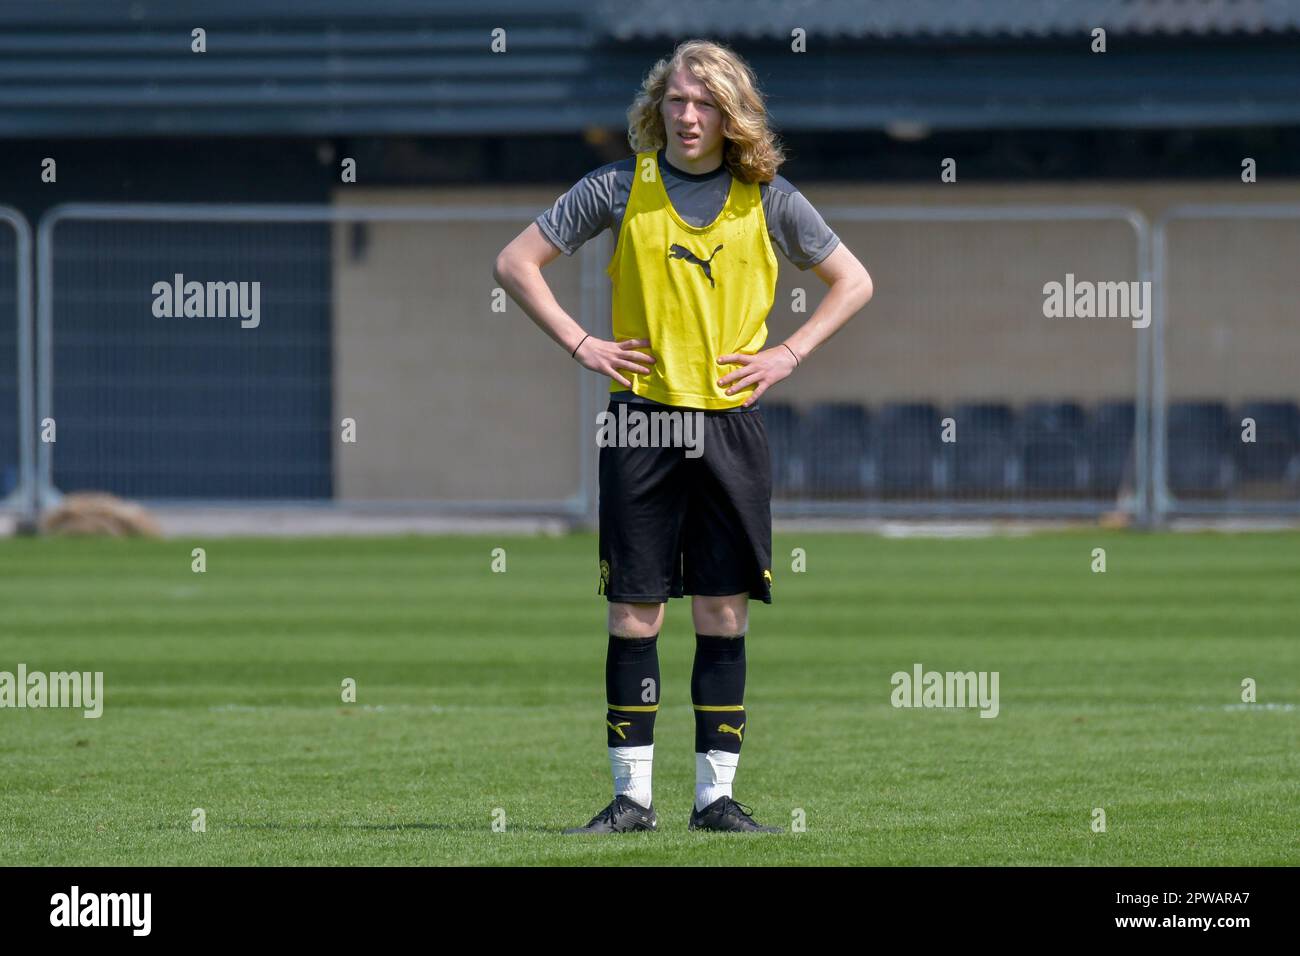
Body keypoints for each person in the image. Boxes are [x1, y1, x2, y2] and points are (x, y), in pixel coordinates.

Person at [493, 38, 873, 834]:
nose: (689, 115)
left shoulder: (767, 196)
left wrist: (789, 352)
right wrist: (582, 344)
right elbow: (515, 262)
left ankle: (715, 800)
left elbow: (855, 281)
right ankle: (632, 800)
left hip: (731, 423)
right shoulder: (617, 187)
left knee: (723, 613)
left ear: (730, 113)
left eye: (704, 103)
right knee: (635, 613)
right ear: (656, 108)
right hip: (643, 419)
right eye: (676, 101)